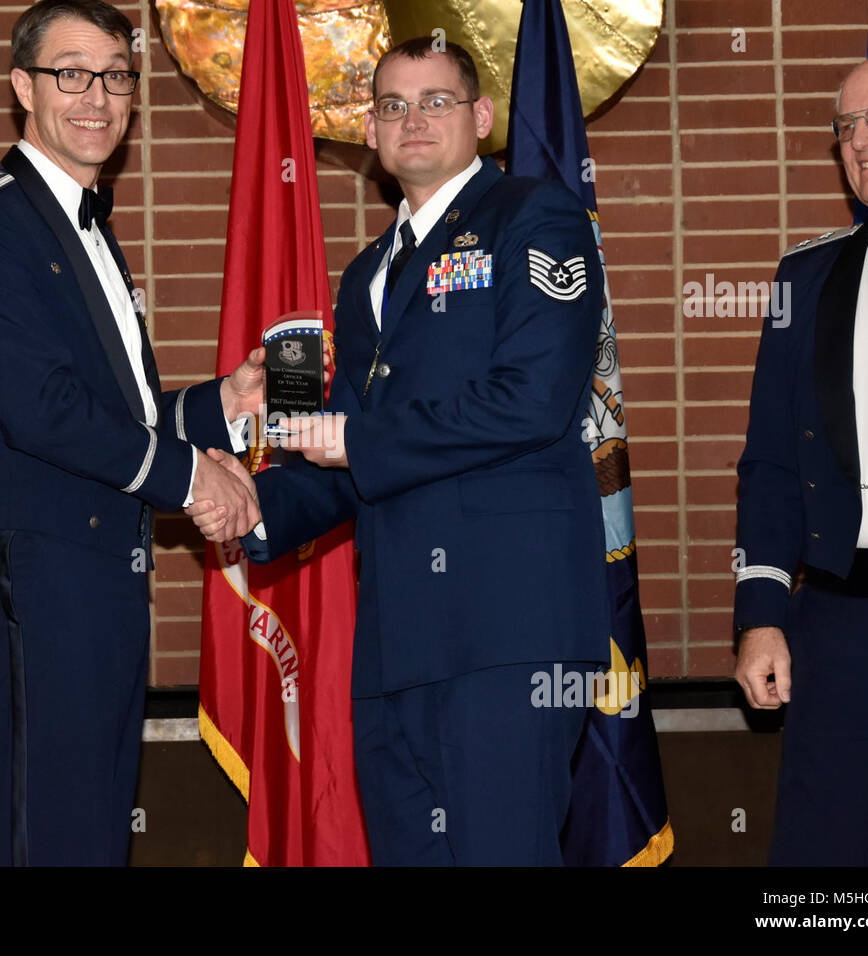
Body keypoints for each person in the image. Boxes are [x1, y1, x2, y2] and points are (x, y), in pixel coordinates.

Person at [188, 38, 610, 865]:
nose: (412, 120)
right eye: (391, 106)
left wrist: (357, 438)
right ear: (373, 135)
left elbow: (532, 401)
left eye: (436, 101)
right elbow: (342, 454)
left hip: (506, 633)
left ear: (482, 119)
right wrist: (247, 503)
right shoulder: (366, 274)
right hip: (395, 642)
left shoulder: (537, 215)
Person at [0, 0, 261, 865]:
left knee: (93, 844)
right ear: (22, 88)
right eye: (70, 73)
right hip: (38, 581)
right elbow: (44, 411)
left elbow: (122, 420)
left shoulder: (88, 223)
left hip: (104, 580)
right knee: (58, 846)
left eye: (116, 76)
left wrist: (225, 401)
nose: (98, 97)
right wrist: (196, 480)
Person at [734, 50, 868, 865]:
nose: (860, 140)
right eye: (845, 127)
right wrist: (760, 617)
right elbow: (771, 466)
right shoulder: (803, 278)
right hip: (840, 624)